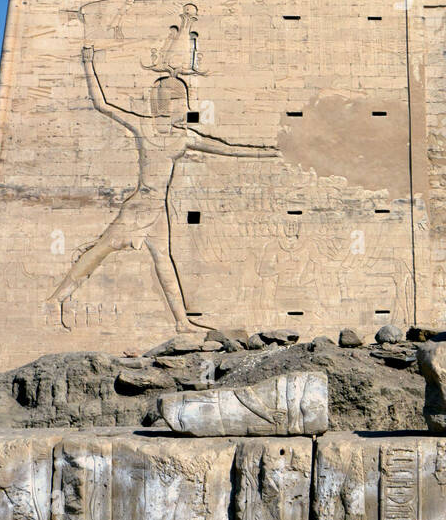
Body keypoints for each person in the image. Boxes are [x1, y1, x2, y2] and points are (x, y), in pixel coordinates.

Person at [47, 47, 280, 332]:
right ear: (168, 104)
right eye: (181, 101)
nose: (185, 106)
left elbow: (227, 149)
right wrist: (87, 63)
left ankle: (182, 323)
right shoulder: (145, 127)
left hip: (157, 210)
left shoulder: (181, 137)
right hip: (139, 207)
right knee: (99, 252)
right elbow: (102, 105)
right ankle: (56, 298)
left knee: (163, 261)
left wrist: (268, 153)